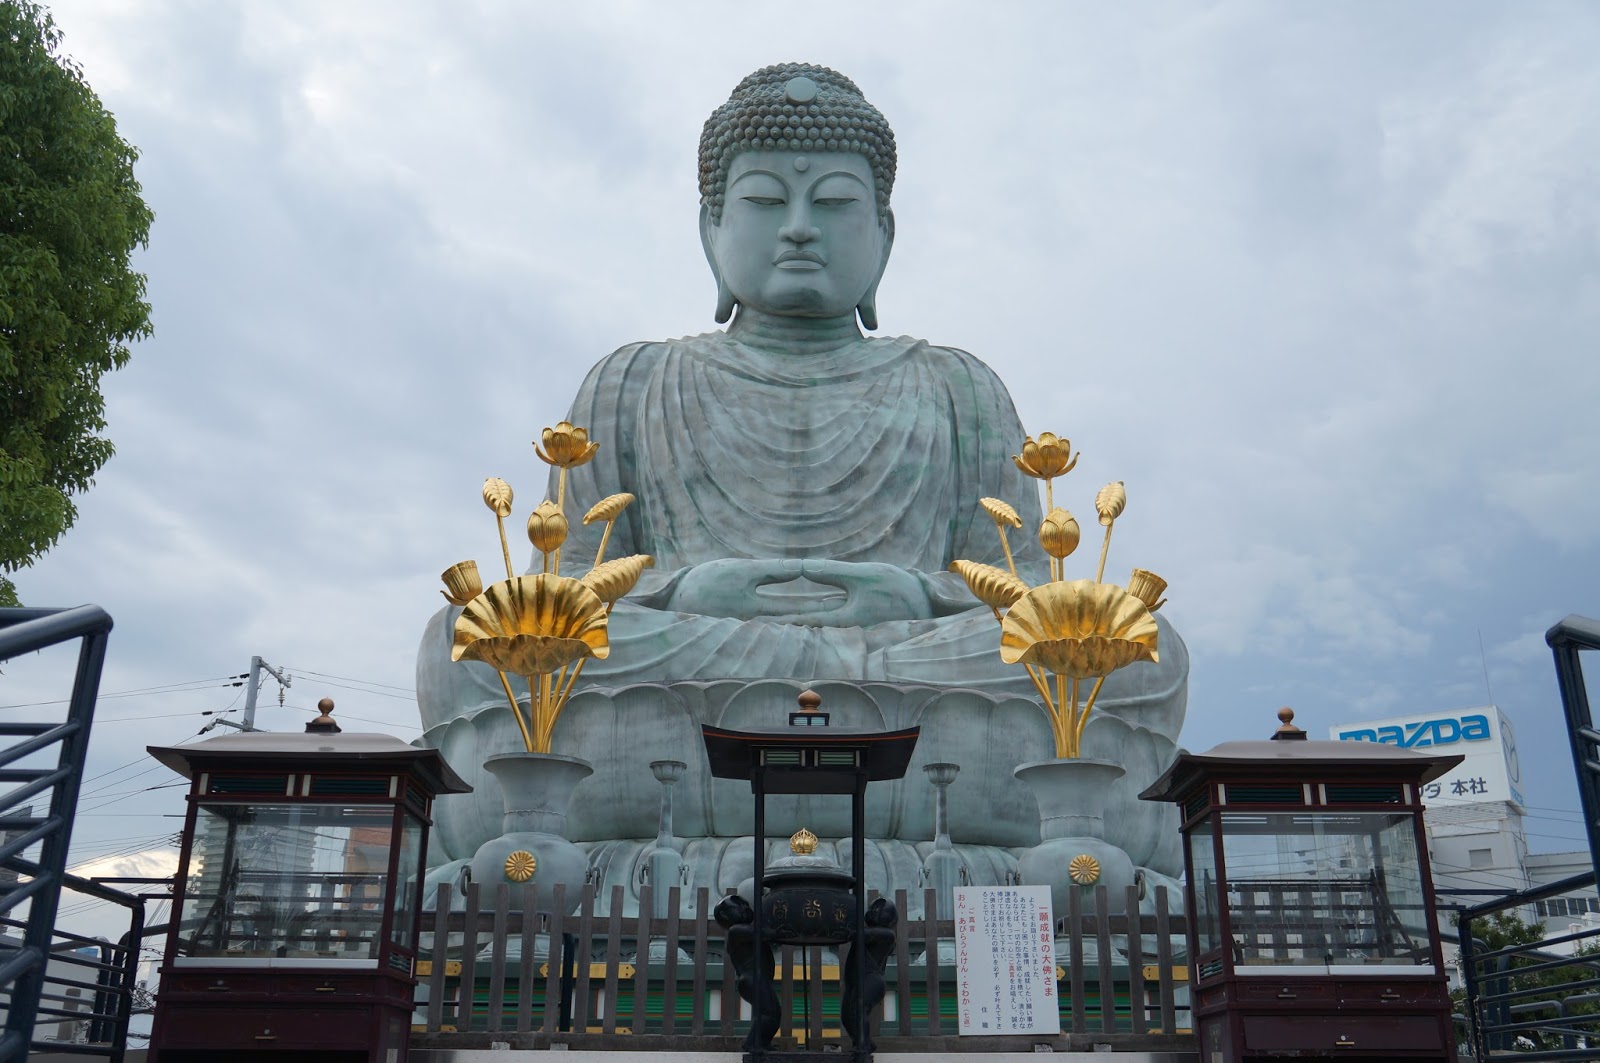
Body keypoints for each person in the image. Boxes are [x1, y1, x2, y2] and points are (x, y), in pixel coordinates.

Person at [415, 64, 1187, 889]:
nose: (798, 229)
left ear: (884, 234)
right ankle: (1045, 859)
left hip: (915, 649)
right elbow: (561, 595)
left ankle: (567, 853)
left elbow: (1029, 596)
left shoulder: (961, 385)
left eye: (833, 203)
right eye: (762, 201)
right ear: (711, 227)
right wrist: (687, 589)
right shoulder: (633, 378)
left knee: (1139, 649)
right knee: (470, 638)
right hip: (690, 642)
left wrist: (919, 595)